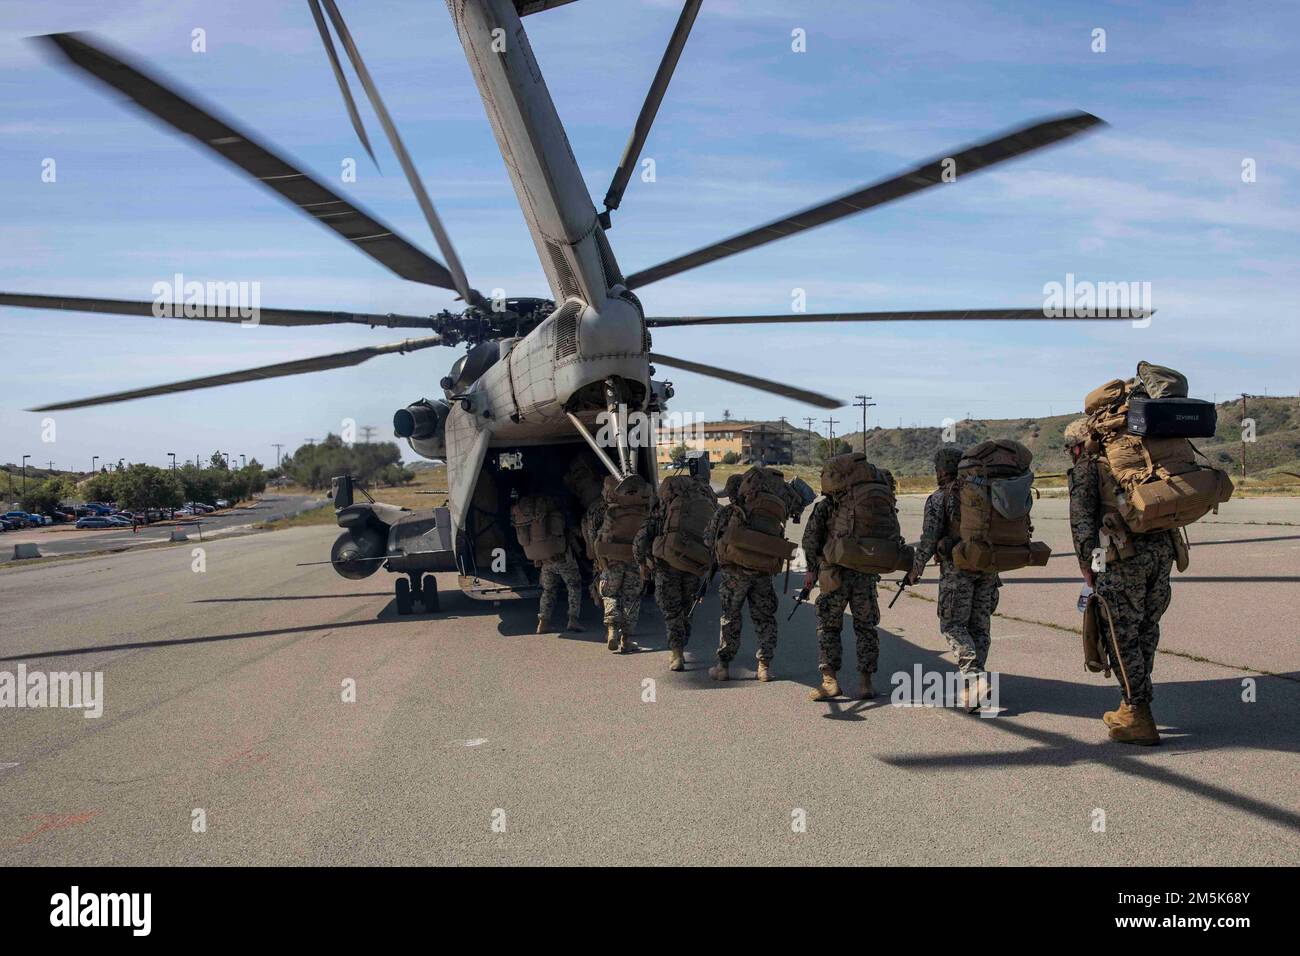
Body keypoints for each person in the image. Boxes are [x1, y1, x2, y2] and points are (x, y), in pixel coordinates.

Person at [1065, 416, 1171, 745]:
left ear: (1080, 444)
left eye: (1072, 449)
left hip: (1122, 561)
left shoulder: (1088, 467)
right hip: (1162, 554)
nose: (1072, 455)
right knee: (1145, 631)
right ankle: (1130, 705)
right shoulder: (1140, 456)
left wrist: (1088, 567)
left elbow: (1082, 523)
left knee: (1121, 638)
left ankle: (1139, 715)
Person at [906, 446, 1000, 712]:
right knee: (979, 628)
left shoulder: (939, 498)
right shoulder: (985, 494)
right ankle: (974, 690)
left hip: (958, 570)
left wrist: (916, 568)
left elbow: (928, 538)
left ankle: (975, 679)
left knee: (952, 625)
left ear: (940, 470)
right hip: (988, 568)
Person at [702, 467, 797, 683]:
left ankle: (723, 666)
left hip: (734, 574)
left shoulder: (727, 512)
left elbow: (708, 539)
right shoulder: (770, 513)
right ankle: (764, 666)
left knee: (730, 618)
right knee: (764, 618)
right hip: (762, 574)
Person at [801, 467, 883, 702]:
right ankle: (866, 683)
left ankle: (830, 682)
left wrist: (812, 570)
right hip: (864, 576)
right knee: (866, 628)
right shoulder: (871, 504)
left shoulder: (827, 506)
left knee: (828, 628)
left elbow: (810, 542)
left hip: (834, 576)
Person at [633, 466, 717, 672]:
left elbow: (640, 540)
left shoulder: (661, 512)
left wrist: (642, 564)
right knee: (687, 608)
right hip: (692, 565)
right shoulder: (700, 507)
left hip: (666, 566)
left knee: (671, 611)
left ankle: (677, 652)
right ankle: (681, 641)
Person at [591, 475, 648, 653]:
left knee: (610, 594)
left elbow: (600, 540)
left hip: (613, 561)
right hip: (635, 561)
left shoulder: (610, 513)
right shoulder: (646, 510)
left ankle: (612, 630)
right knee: (631, 599)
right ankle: (626, 639)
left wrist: (603, 564)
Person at [536, 523, 584, 634]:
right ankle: (573, 620)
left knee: (548, 590)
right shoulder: (562, 516)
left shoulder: (540, 520)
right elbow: (578, 532)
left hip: (546, 560)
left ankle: (543, 623)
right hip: (564, 559)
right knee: (574, 587)